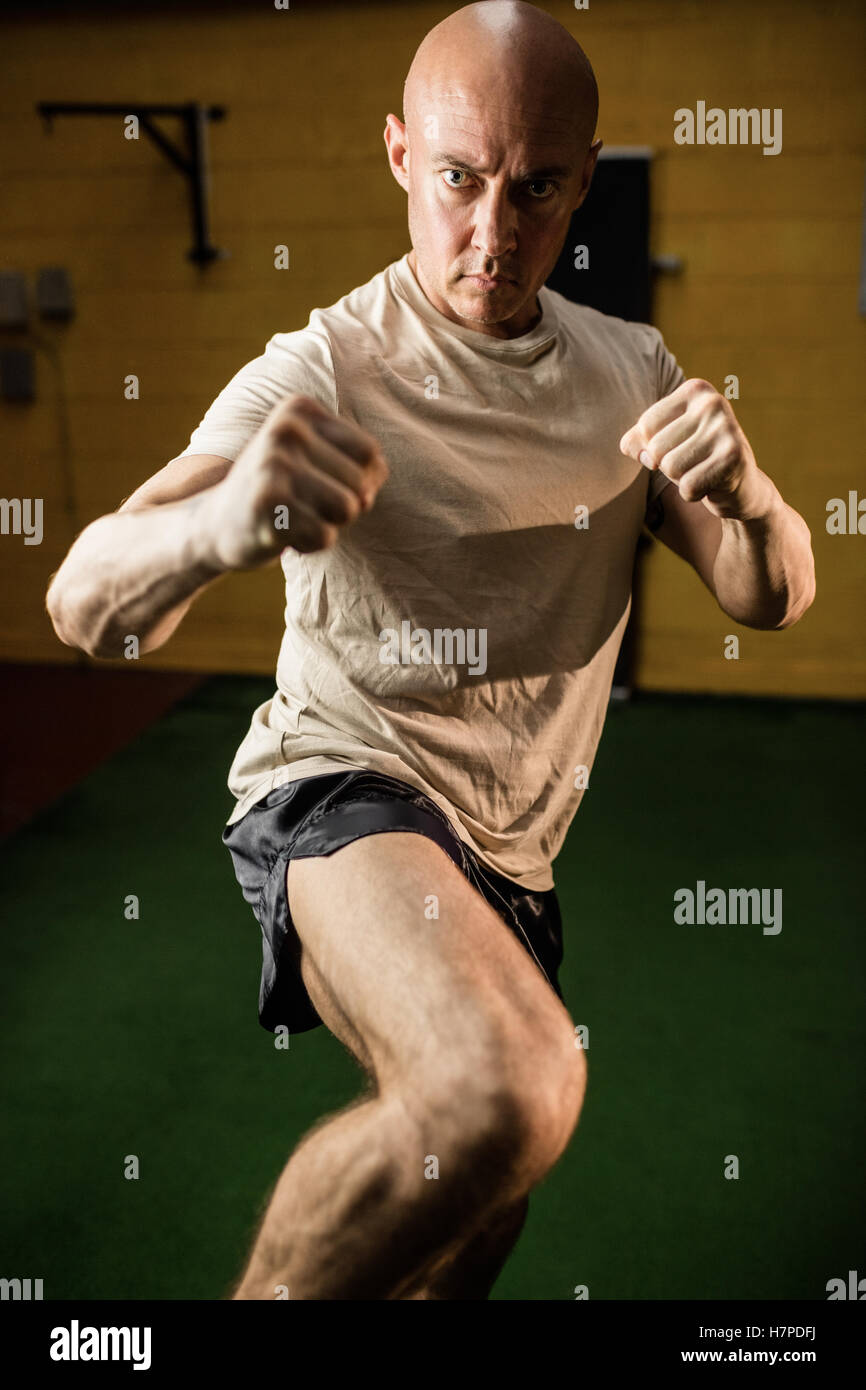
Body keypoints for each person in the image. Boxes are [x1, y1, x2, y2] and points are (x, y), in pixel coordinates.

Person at [45, 1, 815, 1300]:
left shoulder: (630, 370)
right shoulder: (323, 365)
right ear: (401, 155)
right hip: (337, 791)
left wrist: (750, 496)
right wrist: (227, 519)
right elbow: (86, 602)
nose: (494, 234)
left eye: (537, 191)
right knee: (504, 1085)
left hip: (511, 845)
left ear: (582, 178)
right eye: (460, 180)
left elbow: (770, 595)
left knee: (468, 1220)